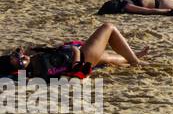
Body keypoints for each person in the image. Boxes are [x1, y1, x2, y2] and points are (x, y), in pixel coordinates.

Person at [1, 23, 149, 77]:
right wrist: (76, 51)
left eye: (17, 54)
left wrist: (24, 51)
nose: (22, 57)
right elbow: (74, 70)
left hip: (82, 53)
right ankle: (135, 61)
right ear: (19, 70)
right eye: (20, 61)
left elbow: (27, 54)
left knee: (108, 58)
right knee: (108, 27)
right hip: (84, 56)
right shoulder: (42, 69)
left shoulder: (33, 62)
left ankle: (132, 57)